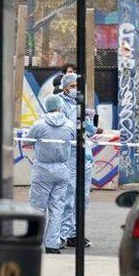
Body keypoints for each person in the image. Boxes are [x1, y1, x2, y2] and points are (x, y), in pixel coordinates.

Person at [27, 94, 76, 254]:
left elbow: (27, 140)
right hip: (62, 170)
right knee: (57, 207)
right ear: (60, 106)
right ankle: (52, 244)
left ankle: (34, 241)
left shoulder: (39, 125)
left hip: (42, 170)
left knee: (37, 207)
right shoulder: (69, 125)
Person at [57, 73, 97, 248]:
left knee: (83, 198)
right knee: (68, 197)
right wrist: (78, 120)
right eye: (73, 86)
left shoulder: (79, 103)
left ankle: (75, 233)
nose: (76, 89)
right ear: (65, 87)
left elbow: (90, 132)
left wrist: (88, 122)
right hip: (71, 156)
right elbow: (65, 128)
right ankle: (63, 234)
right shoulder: (59, 103)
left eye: (77, 86)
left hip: (85, 156)